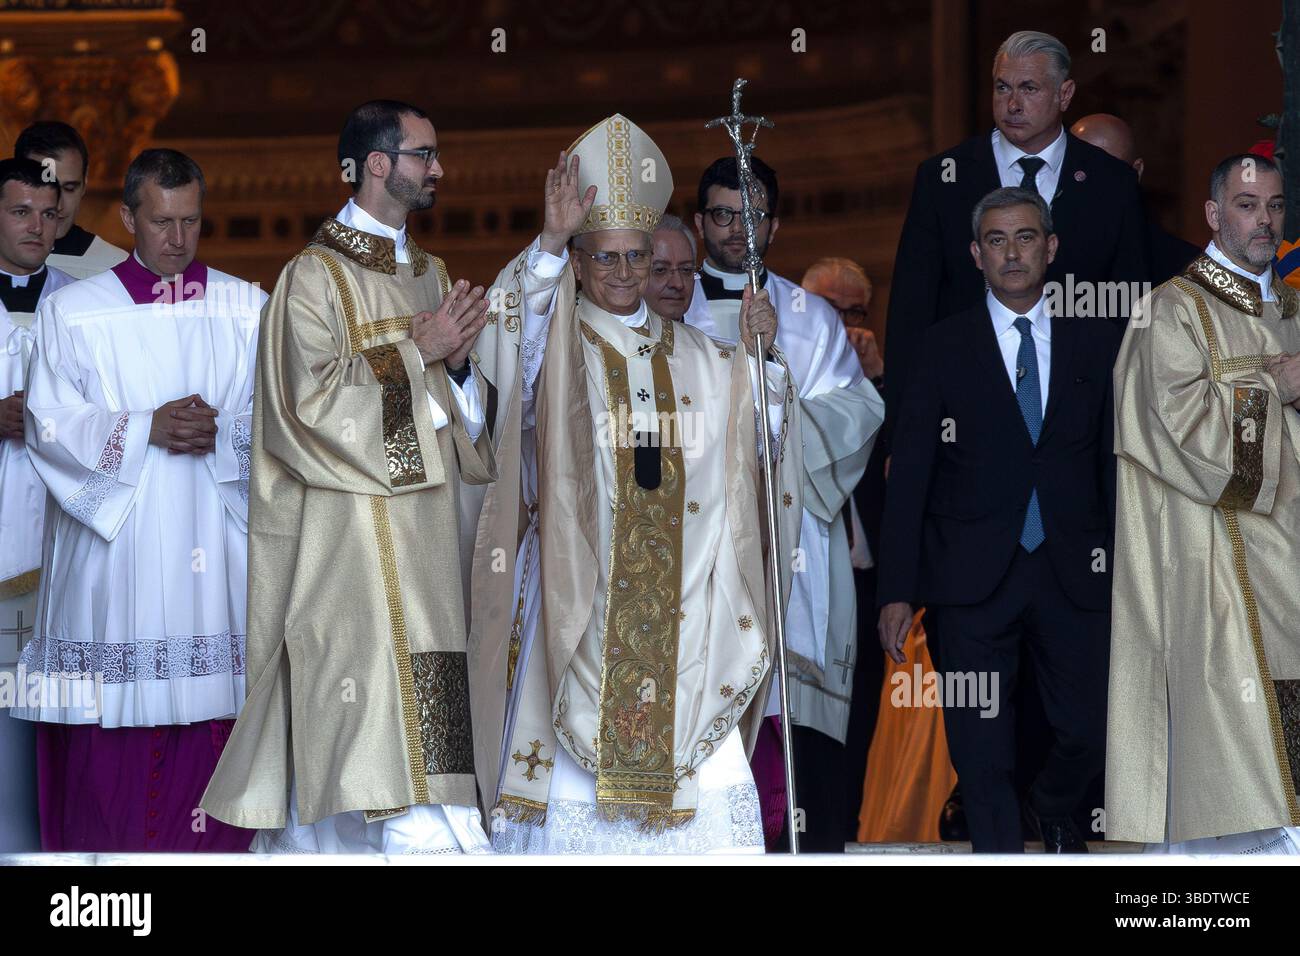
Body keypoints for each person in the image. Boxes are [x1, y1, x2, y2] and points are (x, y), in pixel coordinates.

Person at [481, 114, 793, 854]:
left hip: (688, 604)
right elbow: (502, 353)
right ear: (582, 263)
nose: (625, 274)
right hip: (578, 594)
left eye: (638, 257)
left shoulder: (703, 357)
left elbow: (763, 438)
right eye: (607, 258)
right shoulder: (556, 345)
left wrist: (762, 359)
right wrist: (549, 243)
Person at [200, 100, 497, 855]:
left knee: (431, 724)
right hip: (347, 551)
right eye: (423, 154)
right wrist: (418, 353)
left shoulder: (430, 274)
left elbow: (461, 416)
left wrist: (459, 367)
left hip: (427, 546)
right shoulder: (311, 278)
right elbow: (304, 411)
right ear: (376, 164)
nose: (439, 169)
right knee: (356, 732)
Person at [13, 148, 263, 852]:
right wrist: (146, 427)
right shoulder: (75, 311)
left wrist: (224, 434)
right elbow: (48, 424)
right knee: (112, 764)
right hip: (115, 570)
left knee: (213, 734)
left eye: (190, 222)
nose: (178, 239)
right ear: (127, 218)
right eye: (161, 222)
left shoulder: (249, 309)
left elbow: (284, 427)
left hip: (215, 564)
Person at [877, 186, 1120, 853]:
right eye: (996, 240)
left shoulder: (1098, 339)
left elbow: (1113, 462)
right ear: (975, 255)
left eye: (1025, 238)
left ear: (1051, 247)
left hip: (1077, 570)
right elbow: (911, 476)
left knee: (1091, 729)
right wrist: (898, 589)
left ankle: (1049, 805)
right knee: (982, 757)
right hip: (968, 582)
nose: (1012, 253)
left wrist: (1125, 563)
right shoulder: (939, 346)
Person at [683, 156, 883, 852]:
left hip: (788, 554)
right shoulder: (665, 308)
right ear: (698, 220)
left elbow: (856, 417)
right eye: (722, 215)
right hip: (694, 558)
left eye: (754, 215)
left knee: (794, 771)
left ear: (778, 221)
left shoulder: (811, 317)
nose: (739, 229)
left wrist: (773, 376)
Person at [1107, 154, 1300, 853]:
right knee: (1232, 792)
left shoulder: (1295, 307)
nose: (1265, 221)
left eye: (1276, 206)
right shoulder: (1170, 310)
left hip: (1294, 558)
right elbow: (1172, 425)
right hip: (1218, 563)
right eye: (1248, 206)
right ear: (1215, 215)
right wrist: (1270, 390)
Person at [885, 30, 1147, 428]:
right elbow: (912, 310)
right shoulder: (943, 178)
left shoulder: (1111, 182)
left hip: (1078, 413)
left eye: (1028, 88)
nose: (1012, 104)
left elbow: (1130, 307)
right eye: (1002, 87)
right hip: (964, 409)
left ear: (1065, 94)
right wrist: (904, 431)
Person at [0, 157, 75, 853]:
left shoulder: (86, 304)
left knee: (54, 736)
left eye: (50, 213)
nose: (38, 227)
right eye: (21, 211)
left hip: (63, 567)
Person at [801, 256, 888, 843]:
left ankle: (844, 839)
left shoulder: (884, 373)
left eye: (852, 310)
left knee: (856, 727)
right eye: (826, 310)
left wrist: (876, 385)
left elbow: (913, 467)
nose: (840, 323)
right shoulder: (785, 367)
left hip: (865, 584)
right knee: (803, 728)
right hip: (798, 575)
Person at [1070, 113, 1200, 286]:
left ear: (1136, 172)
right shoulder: (1039, 256)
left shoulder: (1186, 268)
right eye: (1080, 173)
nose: (1093, 187)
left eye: (1108, 172)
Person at [15, 121, 128, 279]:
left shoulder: (117, 267)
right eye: (44, 188)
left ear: (85, 182)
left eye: (69, 188)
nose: (58, 205)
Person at [643, 214, 697, 321]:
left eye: (686, 270)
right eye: (660, 270)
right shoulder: (609, 336)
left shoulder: (703, 337)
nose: (678, 284)